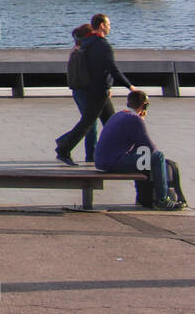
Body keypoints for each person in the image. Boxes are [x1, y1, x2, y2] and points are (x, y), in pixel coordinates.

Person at [55, 13, 137, 166]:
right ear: (102, 26)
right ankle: (64, 149)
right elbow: (112, 68)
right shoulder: (102, 45)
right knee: (88, 124)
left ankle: (120, 152)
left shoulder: (87, 43)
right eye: (108, 24)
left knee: (111, 122)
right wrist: (130, 86)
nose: (110, 27)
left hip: (95, 90)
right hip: (99, 91)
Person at [95, 90, 186, 211]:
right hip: (113, 163)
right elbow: (151, 149)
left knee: (143, 157)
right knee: (158, 157)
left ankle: (143, 197)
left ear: (128, 103)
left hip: (101, 161)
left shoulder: (117, 115)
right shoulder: (135, 119)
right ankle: (162, 200)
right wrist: (142, 121)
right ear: (144, 105)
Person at [66, 23, 102, 163]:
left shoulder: (75, 50)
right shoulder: (85, 51)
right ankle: (90, 154)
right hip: (86, 91)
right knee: (89, 124)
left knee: (88, 123)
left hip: (78, 90)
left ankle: (91, 154)